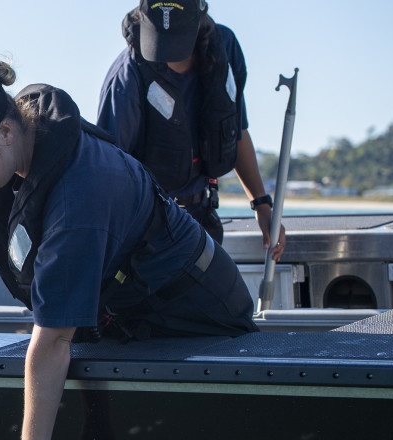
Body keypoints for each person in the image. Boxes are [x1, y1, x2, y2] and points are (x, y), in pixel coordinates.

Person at [0, 58, 258, 440]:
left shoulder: (80, 197)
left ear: (5, 132)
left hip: (197, 310)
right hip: (129, 309)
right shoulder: (11, 158)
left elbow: (53, 342)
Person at [97, 0, 286, 261]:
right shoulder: (126, 78)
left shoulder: (224, 49)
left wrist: (261, 205)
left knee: (227, 301)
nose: (167, 53)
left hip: (203, 218)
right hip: (149, 233)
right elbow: (107, 174)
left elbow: (236, 130)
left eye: (175, 41)